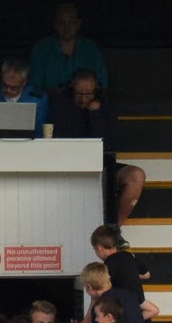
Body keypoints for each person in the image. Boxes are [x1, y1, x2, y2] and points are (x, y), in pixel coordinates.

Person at [51, 70, 146, 224]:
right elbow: (65, 139)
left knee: (136, 176)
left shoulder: (105, 107)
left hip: (102, 165)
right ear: (71, 89)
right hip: (71, 166)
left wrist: (94, 114)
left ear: (97, 91)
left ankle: (113, 230)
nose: (83, 98)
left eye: (88, 94)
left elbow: (108, 144)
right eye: (78, 93)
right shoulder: (61, 106)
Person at [28, 3, 110, 95]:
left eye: (71, 22)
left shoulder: (91, 49)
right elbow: (33, 89)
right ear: (55, 24)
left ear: (78, 24)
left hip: (85, 105)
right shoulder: (41, 49)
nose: (66, 27)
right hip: (49, 105)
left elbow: (103, 87)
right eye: (62, 23)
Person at [0, 58, 48, 137]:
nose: (8, 90)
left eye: (13, 88)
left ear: (24, 82)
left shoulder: (38, 99)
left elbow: (39, 134)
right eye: (4, 85)